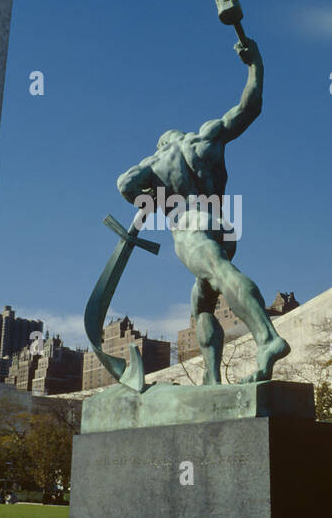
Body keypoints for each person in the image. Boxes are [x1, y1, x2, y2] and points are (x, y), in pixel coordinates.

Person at [116, 36, 290, 384]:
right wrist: (255, 64)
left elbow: (125, 184)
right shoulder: (206, 137)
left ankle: (268, 339)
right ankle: (212, 380)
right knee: (200, 302)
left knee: (218, 271)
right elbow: (249, 107)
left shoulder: (156, 160)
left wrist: (152, 197)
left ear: (162, 142)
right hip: (222, 221)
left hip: (191, 226)